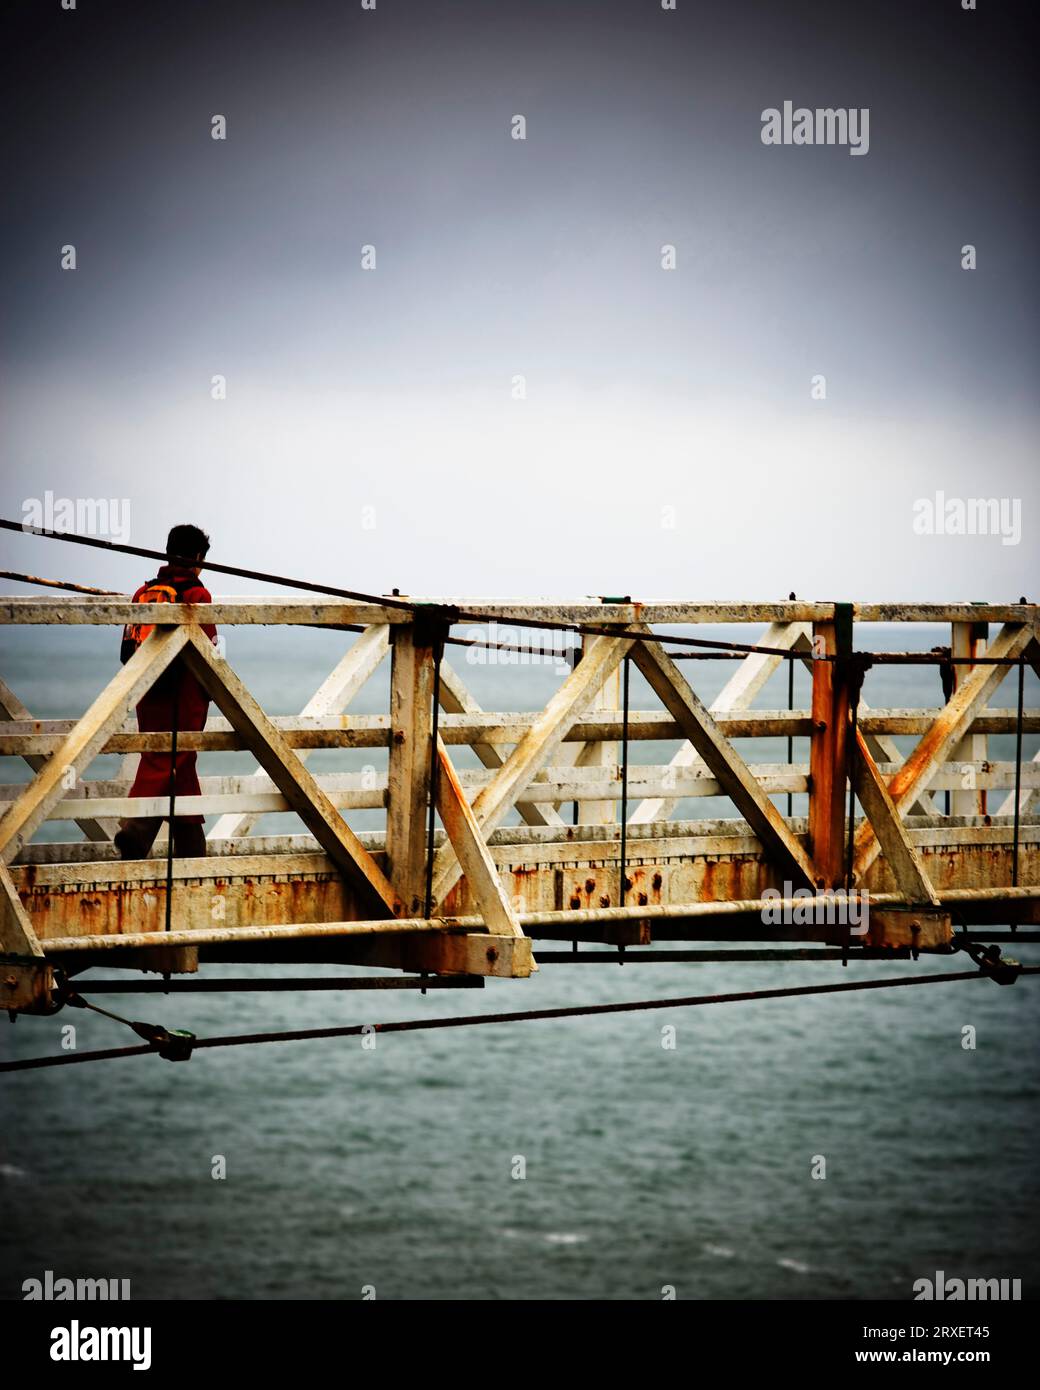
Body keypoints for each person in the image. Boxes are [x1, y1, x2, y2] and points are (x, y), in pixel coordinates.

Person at [113, 524, 218, 860]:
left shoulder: (143, 592)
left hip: (148, 690)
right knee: (172, 757)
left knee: (169, 759)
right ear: (199, 558)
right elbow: (209, 651)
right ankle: (136, 831)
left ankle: (192, 851)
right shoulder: (197, 595)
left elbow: (127, 648)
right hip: (184, 693)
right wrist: (215, 691)